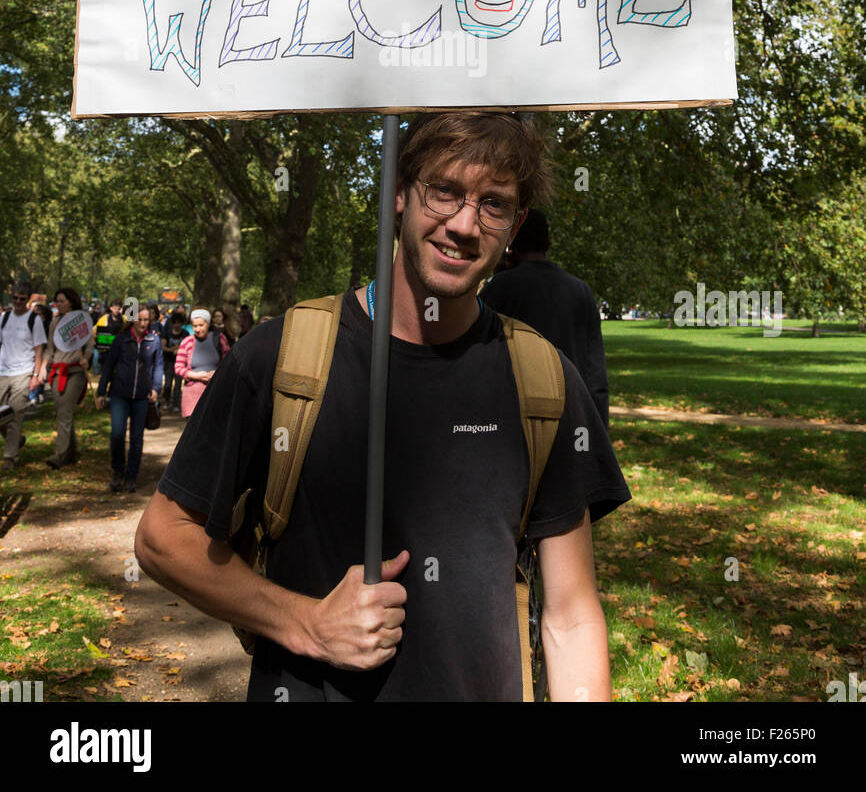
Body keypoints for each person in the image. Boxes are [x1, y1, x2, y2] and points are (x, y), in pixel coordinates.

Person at [136, 111, 630, 703]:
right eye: (444, 191)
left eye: (493, 204)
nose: (465, 225)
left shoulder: (545, 382)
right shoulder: (281, 357)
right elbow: (163, 538)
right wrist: (306, 624)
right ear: (399, 192)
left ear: (516, 224)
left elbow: (572, 615)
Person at [481, 208, 611, 428]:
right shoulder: (581, 290)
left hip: (513, 422)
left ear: (511, 243)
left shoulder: (500, 288)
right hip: (571, 417)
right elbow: (595, 373)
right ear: (548, 245)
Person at [96, 302, 163, 493]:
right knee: (117, 434)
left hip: (142, 397)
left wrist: (156, 388)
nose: (143, 324)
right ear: (133, 320)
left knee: (136, 438)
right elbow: (109, 365)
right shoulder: (122, 339)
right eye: (140, 320)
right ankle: (117, 472)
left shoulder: (154, 340)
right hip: (119, 394)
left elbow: (157, 367)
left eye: (146, 320)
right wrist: (101, 392)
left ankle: (131, 476)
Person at [40, 287, 93, 469]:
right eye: (57, 302)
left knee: (65, 412)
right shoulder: (55, 322)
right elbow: (49, 348)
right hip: (57, 371)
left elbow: (88, 345)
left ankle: (59, 454)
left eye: (62, 301)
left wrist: (86, 359)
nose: (59, 305)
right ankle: (71, 450)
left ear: (71, 301)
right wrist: (42, 367)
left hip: (76, 372)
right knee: (62, 412)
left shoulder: (82, 320)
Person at [0, 285, 47, 468]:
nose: (18, 302)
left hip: (24, 372)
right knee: (3, 416)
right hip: (3, 371)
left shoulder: (33, 320)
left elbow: (39, 349)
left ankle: (9, 458)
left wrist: (35, 375)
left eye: (22, 298)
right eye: (15, 298)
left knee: (16, 414)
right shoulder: (4, 318)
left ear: (27, 300)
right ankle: (16, 439)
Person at [173, 310, 231, 418]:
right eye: (195, 326)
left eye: (201, 325)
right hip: (192, 395)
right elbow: (178, 367)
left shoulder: (219, 339)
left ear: (208, 324)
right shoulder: (187, 342)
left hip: (215, 393)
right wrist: (197, 375)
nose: (198, 329)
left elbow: (229, 363)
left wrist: (216, 373)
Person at [161, 310, 188, 412]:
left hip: (181, 363)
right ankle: (166, 401)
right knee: (167, 384)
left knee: (178, 385)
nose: (177, 325)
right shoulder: (167, 333)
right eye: (175, 322)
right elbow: (162, 346)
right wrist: (171, 350)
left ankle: (176, 404)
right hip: (169, 362)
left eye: (179, 322)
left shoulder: (185, 334)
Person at [93, 298, 126, 375]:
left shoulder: (124, 320)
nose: (116, 310)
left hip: (120, 351)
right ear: (111, 308)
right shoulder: (103, 319)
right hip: (106, 351)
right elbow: (96, 332)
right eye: (115, 308)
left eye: (118, 308)